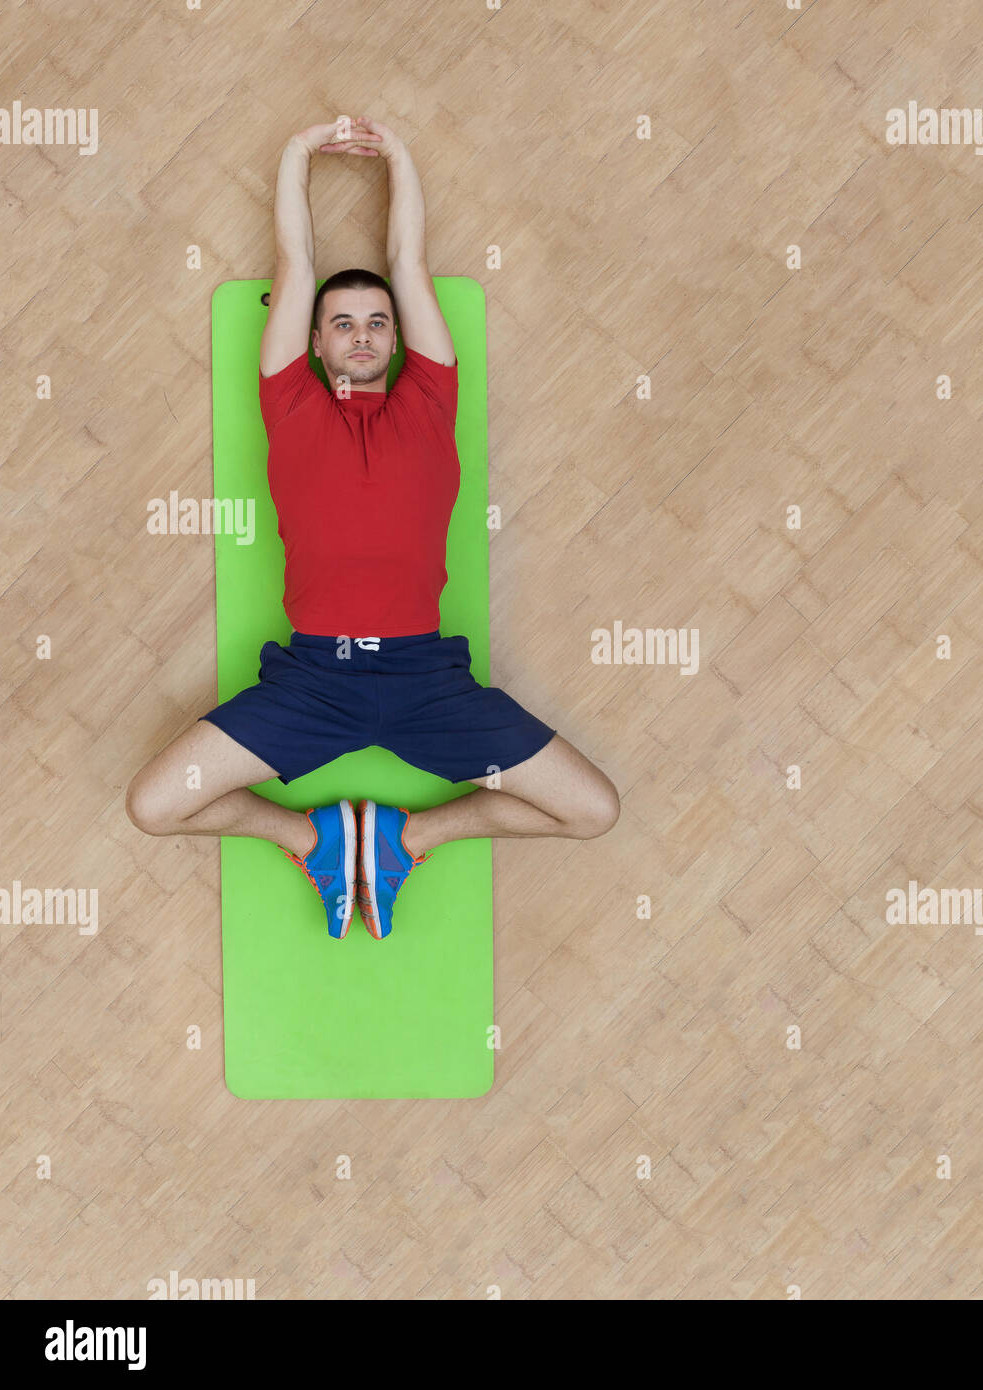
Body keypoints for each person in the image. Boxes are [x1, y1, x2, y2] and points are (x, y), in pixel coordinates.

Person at [126, 116, 618, 941]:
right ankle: (315, 838)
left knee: (593, 810)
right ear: (314, 342)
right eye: (343, 324)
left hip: (430, 682)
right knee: (152, 805)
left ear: (398, 339)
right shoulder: (289, 401)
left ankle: (405, 838)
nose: (361, 334)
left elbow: (410, 264)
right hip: (313, 683)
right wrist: (292, 155)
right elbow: (295, 264)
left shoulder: (430, 399)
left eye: (377, 323)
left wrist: (397, 157)